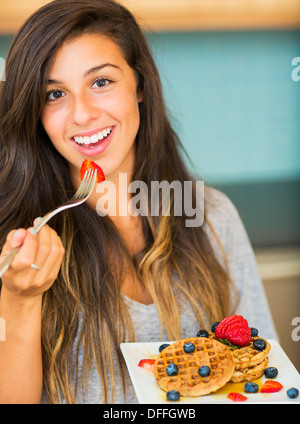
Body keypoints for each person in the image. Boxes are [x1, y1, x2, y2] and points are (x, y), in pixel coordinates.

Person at [0, 0, 277, 404]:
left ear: (140, 85)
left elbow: (260, 374)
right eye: (55, 93)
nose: (81, 114)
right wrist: (20, 299)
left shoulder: (212, 214)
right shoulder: (17, 242)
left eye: (101, 82)